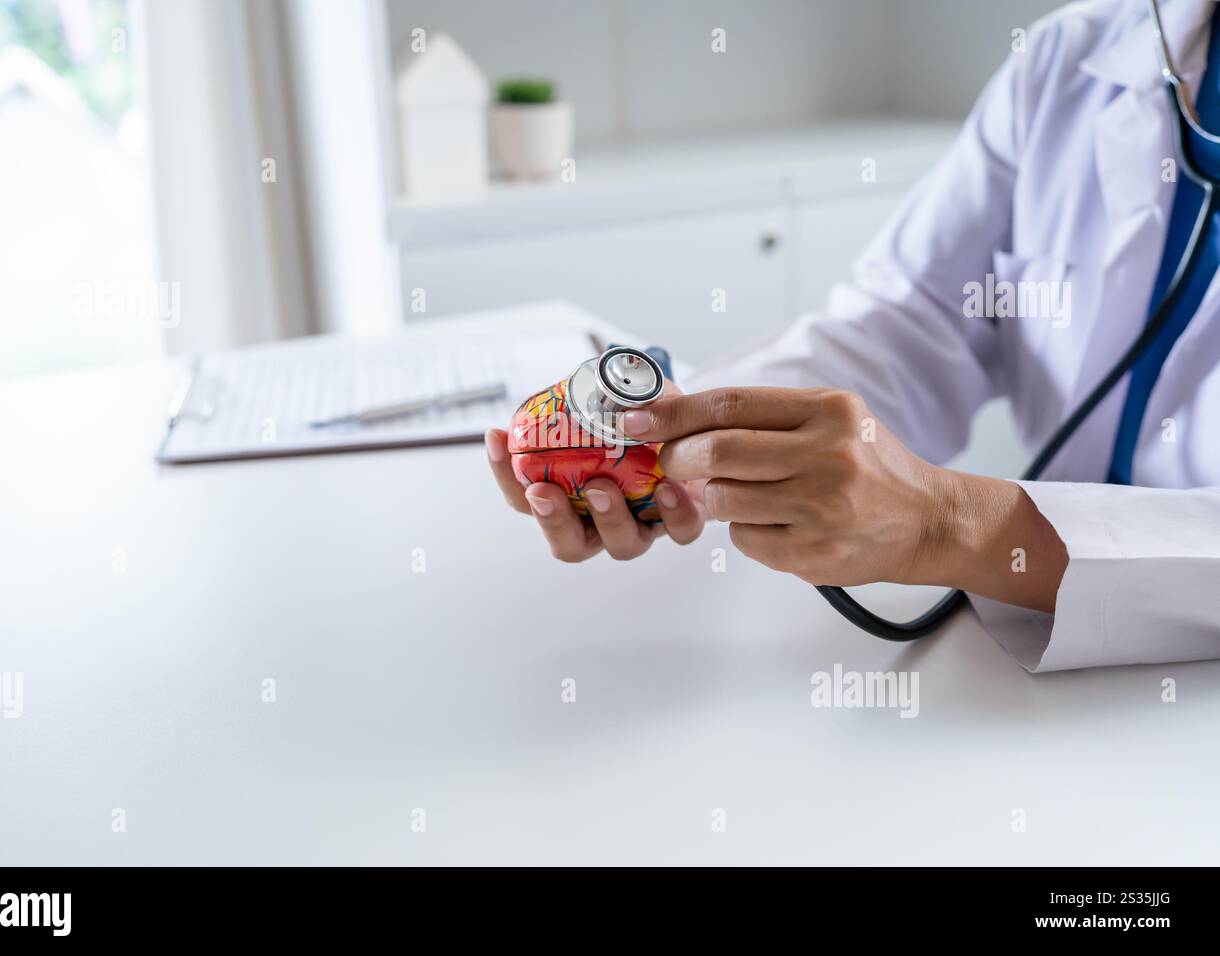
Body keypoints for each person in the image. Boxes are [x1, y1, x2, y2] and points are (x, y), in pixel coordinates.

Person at [486, 0, 1220, 672]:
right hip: (1028, 663)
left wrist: (949, 525)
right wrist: (690, 429)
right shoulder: (1075, 55)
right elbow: (913, 317)